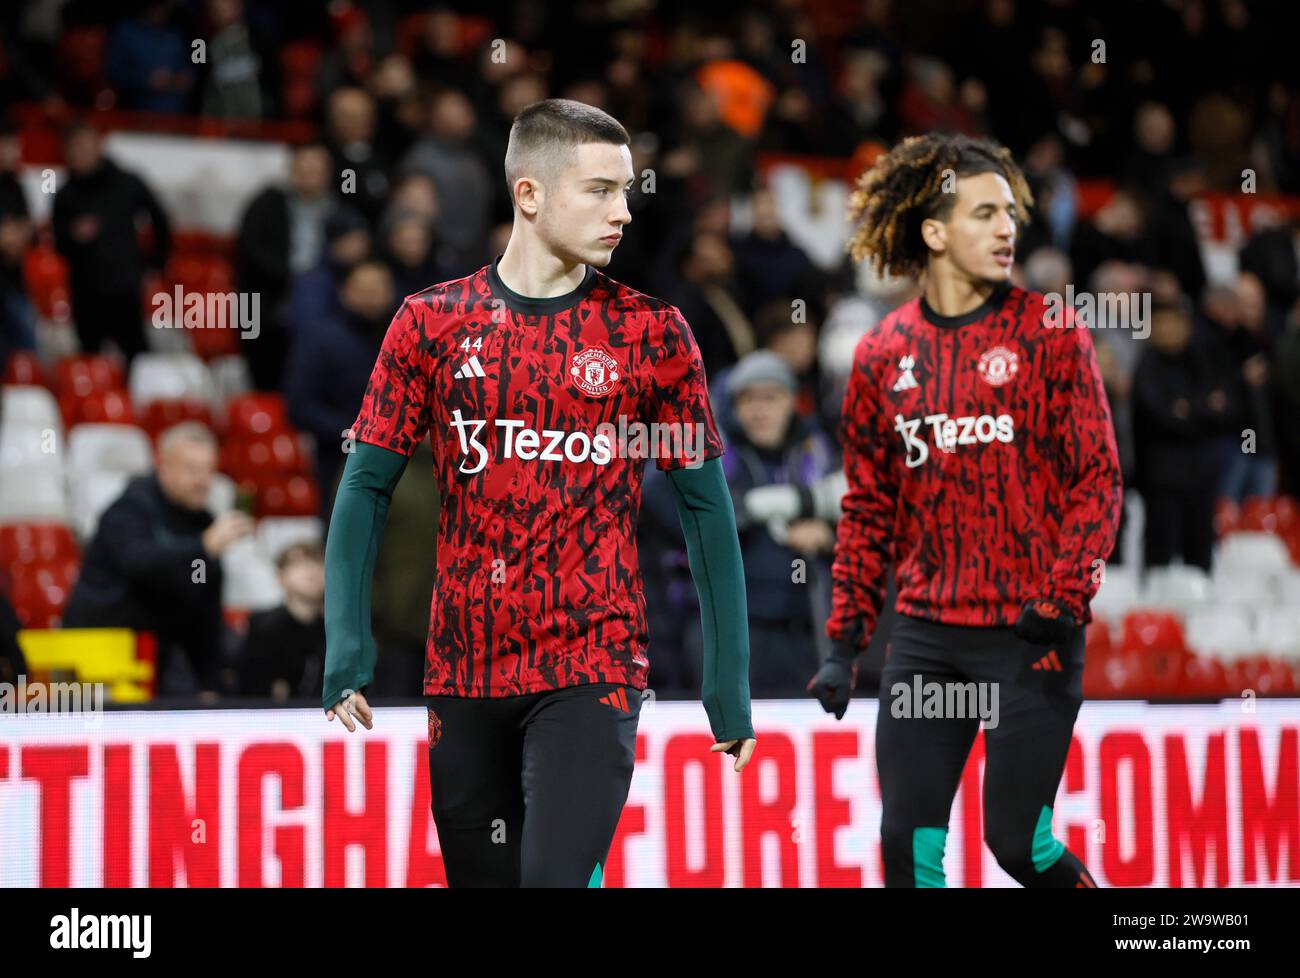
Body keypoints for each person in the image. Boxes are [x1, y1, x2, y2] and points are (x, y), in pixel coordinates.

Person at [323, 98, 755, 887]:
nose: (622, 212)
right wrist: (347, 645)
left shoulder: (654, 334)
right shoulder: (430, 323)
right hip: (463, 670)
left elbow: (705, 510)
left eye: (626, 190)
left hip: (594, 663)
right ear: (529, 194)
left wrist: (727, 684)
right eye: (598, 190)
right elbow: (365, 485)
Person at [809, 133, 1121, 888]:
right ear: (935, 232)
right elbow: (869, 510)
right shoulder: (882, 353)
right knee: (906, 852)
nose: (1007, 228)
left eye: (1010, 212)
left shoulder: (1052, 333)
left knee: (1020, 846)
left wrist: (1063, 596)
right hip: (925, 638)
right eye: (985, 213)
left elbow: (1098, 480)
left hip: (1030, 635)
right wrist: (844, 639)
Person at [62, 423, 254, 695]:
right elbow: (138, 562)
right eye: (191, 469)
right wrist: (202, 547)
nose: (202, 481)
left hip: (161, 655)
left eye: (208, 470)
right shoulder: (130, 509)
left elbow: (204, 607)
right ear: (163, 466)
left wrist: (210, 685)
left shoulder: (203, 523)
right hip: (100, 653)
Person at [52, 120, 171, 361]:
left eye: (84, 147)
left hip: (124, 288)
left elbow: (160, 221)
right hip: (86, 292)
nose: (78, 155)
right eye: (73, 149)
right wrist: (73, 237)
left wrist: (154, 265)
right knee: (90, 359)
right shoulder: (65, 194)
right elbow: (58, 242)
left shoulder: (127, 183)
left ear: (98, 145)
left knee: (137, 357)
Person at [238, 542, 326, 699]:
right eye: (299, 564)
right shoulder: (263, 629)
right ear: (281, 577)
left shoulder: (337, 631)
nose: (311, 571)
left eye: (317, 562)